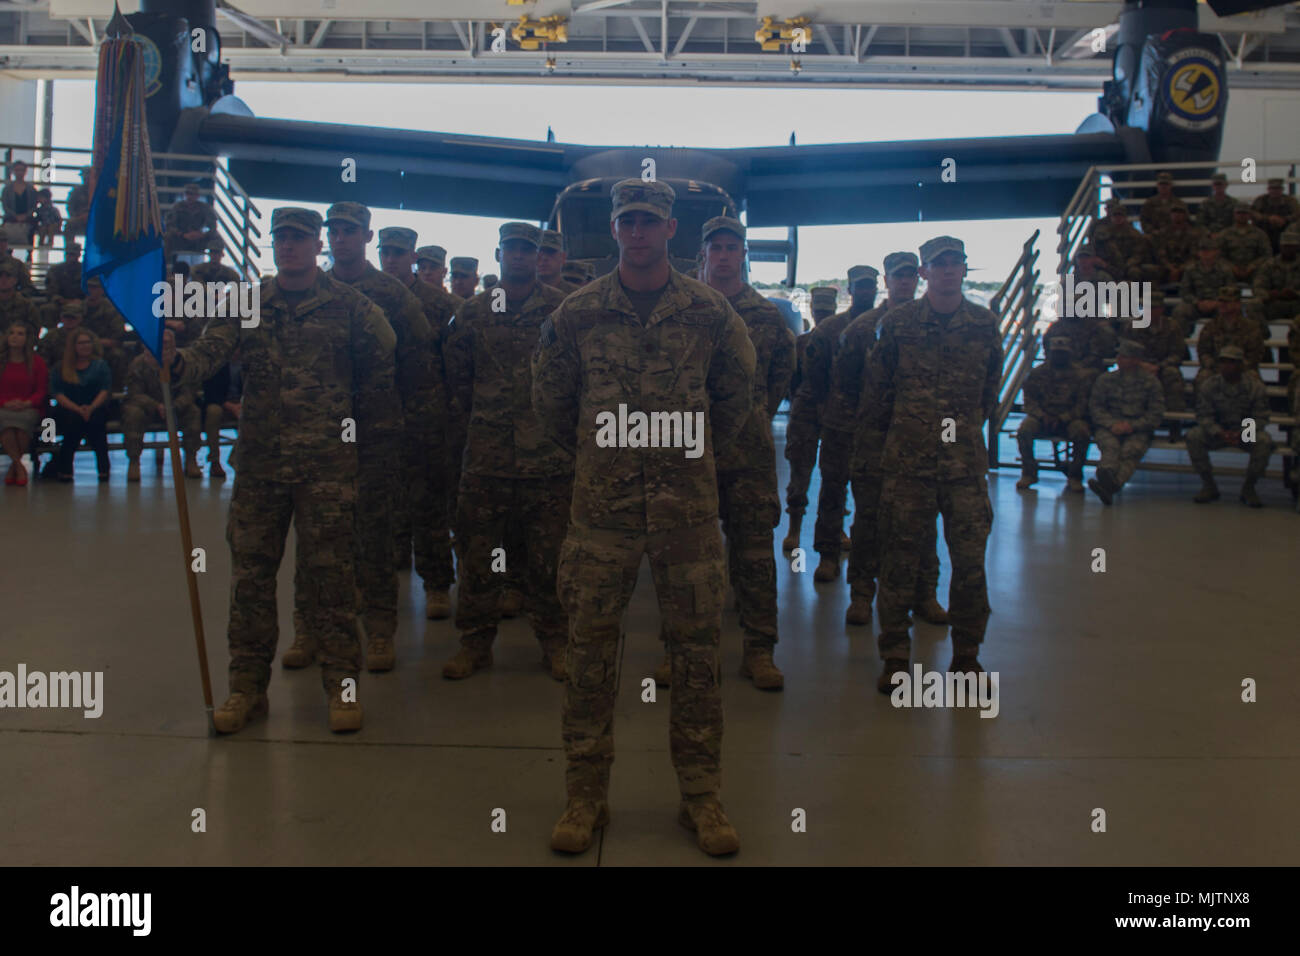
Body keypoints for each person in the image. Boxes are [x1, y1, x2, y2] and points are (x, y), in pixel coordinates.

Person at [532, 178, 754, 857]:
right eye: (627, 222)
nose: (638, 233)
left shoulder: (711, 313)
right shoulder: (577, 312)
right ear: (615, 227)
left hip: (686, 513)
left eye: (649, 223)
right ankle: (584, 797)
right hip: (601, 515)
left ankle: (702, 798)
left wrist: (683, 455)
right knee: (592, 656)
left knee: (695, 659)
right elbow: (551, 400)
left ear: (670, 230)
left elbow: (736, 399)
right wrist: (605, 456)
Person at [169, 206, 399, 734]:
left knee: (332, 581)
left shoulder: (351, 307)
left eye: (299, 238)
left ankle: (343, 690)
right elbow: (207, 354)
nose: (289, 246)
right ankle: (246, 689)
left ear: (318, 243)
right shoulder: (248, 303)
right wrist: (176, 360)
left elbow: (379, 377)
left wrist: (368, 453)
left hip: (327, 469)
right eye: (281, 238)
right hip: (261, 467)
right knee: (250, 579)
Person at [284, 201, 431, 675]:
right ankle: (308, 629)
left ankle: (380, 631)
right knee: (314, 537)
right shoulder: (303, 289)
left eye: (351, 230)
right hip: (313, 436)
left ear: (367, 237)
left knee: (375, 536)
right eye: (335, 230)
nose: (341, 237)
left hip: (375, 435)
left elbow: (418, 362)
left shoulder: (392, 295)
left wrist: (399, 421)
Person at [650, 215, 794, 690]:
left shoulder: (767, 316)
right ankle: (679, 651)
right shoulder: (680, 309)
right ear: (704, 254)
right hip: (688, 455)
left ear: (743, 255)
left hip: (748, 458)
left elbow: (777, 381)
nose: (726, 255)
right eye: (718, 247)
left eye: (734, 247)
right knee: (684, 558)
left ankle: (759, 651)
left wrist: (751, 419)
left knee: (754, 556)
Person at [862, 236, 1000, 693]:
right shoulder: (897, 324)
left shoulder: (984, 324)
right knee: (899, 562)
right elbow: (878, 396)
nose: (947, 270)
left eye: (955, 262)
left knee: (970, 565)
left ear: (964, 269)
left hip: (963, 468)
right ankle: (896, 657)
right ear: (923, 272)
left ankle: (966, 655)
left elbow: (989, 395)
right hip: (907, 465)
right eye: (937, 264)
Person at [441, 221, 570, 681]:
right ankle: (475, 643)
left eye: (527, 249)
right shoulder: (474, 313)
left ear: (539, 256)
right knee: (478, 556)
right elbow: (456, 382)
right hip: (487, 460)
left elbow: (577, 381)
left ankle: (555, 641)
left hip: (548, 462)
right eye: (511, 249)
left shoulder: (561, 311)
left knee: (549, 559)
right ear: (498, 254)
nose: (519, 255)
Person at [842, 252, 945, 627]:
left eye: (909, 276)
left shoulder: (935, 327)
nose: (904, 283)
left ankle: (925, 595)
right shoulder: (861, 330)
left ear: (917, 278)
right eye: (896, 276)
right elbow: (844, 390)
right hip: (872, 444)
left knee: (921, 524)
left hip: (919, 445)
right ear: (886, 280)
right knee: (868, 522)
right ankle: (860, 596)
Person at [377, 225, 458, 619]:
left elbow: (455, 366)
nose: (390, 259)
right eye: (385, 252)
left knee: (429, 507)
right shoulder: (365, 297)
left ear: (413, 257)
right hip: (375, 419)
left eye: (397, 252)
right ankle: (382, 579)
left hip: (426, 420)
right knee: (379, 505)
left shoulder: (438, 305)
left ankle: (438, 584)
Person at [807, 265, 877, 583]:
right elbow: (815, 376)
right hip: (839, 425)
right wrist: (829, 408)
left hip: (876, 429)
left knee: (872, 500)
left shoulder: (887, 326)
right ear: (850, 289)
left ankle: (868, 565)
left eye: (870, 286)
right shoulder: (830, 329)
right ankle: (827, 556)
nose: (866, 291)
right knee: (832, 493)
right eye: (860, 286)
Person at [782, 285, 836, 552]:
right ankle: (794, 529)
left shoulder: (843, 338)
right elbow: (791, 382)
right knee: (799, 475)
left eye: (827, 310)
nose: (823, 315)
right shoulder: (801, 343)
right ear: (812, 311)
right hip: (805, 414)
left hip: (836, 413)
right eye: (819, 310)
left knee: (836, 476)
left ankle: (835, 530)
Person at [1185, 345, 1274, 507]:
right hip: (1218, 432)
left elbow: (1261, 416)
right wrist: (1218, 432)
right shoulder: (1210, 385)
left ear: (1240, 365)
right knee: (1193, 436)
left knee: (1264, 441)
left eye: (1231, 362)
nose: (1226, 366)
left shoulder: (1254, 386)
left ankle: (1249, 488)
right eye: (1223, 362)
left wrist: (1241, 433)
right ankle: (1208, 485)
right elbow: (1204, 415)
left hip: (1245, 432)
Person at [1086, 340, 1165, 506]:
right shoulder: (1106, 379)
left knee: (1131, 451)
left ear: (1136, 360)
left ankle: (1109, 485)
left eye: (1125, 356)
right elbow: (1096, 407)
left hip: (1138, 429)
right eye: (1119, 356)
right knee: (1110, 447)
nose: (1119, 359)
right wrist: (1111, 424)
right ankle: (1107, 476)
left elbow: (1155, 414)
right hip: (1110, 427)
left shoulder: (1151, 383)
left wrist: (1132, 426)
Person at [122, 329, 202, 481]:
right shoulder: (138, 364)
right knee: (132, 413)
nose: (163, 346)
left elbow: (189, 391)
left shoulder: (182, 362)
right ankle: (134, 460)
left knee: (193, 411)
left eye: (167, 343)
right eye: (160, 342)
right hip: (148, 408)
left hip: (176, 407)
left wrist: (174, 406)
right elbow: (134, 393)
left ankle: (191, 458)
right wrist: (156, 406)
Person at [1016, 339, 1093, 493]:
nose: (1059, 356)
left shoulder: (1081, 375)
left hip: (1070, 419)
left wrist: (1063, 418)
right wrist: (1041, 415)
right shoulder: (1037, 373)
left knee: (1082, 432)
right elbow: (1029, 401)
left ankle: (1075, 476)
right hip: (1042, 418)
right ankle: (1029, 473)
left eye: (1062, 353)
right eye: (1056, 353)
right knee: (1024, 430)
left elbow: (1083, 404)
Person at [48, 327, 111, 482]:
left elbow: (105, 390)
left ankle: (104, 470)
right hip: (68, 408)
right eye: (81, 343)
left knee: (96, 423)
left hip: (95, 406)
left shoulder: (100, 365)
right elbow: (58, 393)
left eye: (88, 342)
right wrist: (77, 409)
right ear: (73, 346)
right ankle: (65, 470)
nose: (85, 346)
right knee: (74, 423)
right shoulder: (60, 367)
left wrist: (90, 408)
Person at [1119, 290, 1189, 414]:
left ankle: (1174, 421)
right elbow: (1125, 352)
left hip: (1163, 367)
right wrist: (1141, 365)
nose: (1151, 311)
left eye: (1154, 308)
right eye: (1148, 307)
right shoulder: (1133, 326)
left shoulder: (1172, 326)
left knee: (1172, 374)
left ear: (1161, 309)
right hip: (1137, 367)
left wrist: (1158, 367)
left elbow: (1178, 353)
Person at [0, 318, 47, 486]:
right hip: (3, 407)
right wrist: (5, 403)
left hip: (29, 407)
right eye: (12, 333)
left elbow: (41, 391)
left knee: (21, 426)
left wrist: (26, 403)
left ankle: (14, 466)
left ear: (27, 338)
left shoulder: (37, 362)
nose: (15, 337)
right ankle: (18, 465)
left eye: (20, 334)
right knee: (6, 424)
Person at [1194, 286, 1264, 391]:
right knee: (1203, 378)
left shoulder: (1251, 328)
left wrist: (1234, 369)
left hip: (1242, 370)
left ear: (1237, 304)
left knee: (1254, 380)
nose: (1222, 305)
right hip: (1215, 369)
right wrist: (1218, 367)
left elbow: (1255, 355)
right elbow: (1203, 352)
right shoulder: (1210, 326)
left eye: (1227, 302)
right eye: (1221, 301)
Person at [1174, 237, 1236, 335]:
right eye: (1202, 251)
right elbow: (1184, 291)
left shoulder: (1225, 269)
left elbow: (1231, 290)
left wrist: (1217, 302)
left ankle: (1225, 341)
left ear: (1216, 252)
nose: (1205, 254)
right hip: (1197, 305)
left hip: (1219, 305)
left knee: (1230, 311)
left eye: (1209, 251)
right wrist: (1197, 302)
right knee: (1180, 310)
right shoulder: (1191, 269)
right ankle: (1181, 342)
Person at [200, 350, 241, 479]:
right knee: (213, 412)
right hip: (220, 402)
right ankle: (214, 460)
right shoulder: (217, 364)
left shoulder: (250, 364)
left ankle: (239, 459)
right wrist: (230, 406)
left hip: (243, 402)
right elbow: (211, 393)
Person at [1252, 226, 1300, 327]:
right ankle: (1261, 337)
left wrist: (1296, 294)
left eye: (1291, 246)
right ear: (1280, 247)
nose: (1288, 249)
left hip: (1297, 304)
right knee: (1253, 306)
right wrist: (1272, 295)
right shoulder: (1269, 265)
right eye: (1286, 246)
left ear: (1297, 247)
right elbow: (1257, 287)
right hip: (1275, 304)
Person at [163, 182, 220, 259]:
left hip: (199, 240)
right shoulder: (177, 207)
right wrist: (182, 234)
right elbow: (169, 225)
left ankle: (213, 265)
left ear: (197, 196)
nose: (190, 196)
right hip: (181, 238)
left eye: (193, 194)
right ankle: (165, 264)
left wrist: (202, 234)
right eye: (188, 194)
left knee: (217, 238)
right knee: (167, 237)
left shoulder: (204, 207)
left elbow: (213, 226)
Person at [1151, 205, 1204, 286]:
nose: (1177, 215)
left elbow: (1194, 256)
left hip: (1186, 267)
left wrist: (1180, 269)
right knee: (1152, 271)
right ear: (1170, 215)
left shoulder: (1194, 234)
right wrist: (1171, 268)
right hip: (1167, 267)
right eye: (1174, 213)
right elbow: (1160, 254)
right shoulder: (1163, 233)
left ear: (1185, 215)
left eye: (1180, 213)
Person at [1218, 205, 1272, 282]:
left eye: (1245, 213)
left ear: (1250, 215)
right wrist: (1232, 267)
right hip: (1230, 271)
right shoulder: (1224, 234)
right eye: (1239, 213)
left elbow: (1267, 254)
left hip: (1254, 271)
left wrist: (1252, 266)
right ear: (1234, 215)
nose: (1242, 216)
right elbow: (1219, 255)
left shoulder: (1260, 234)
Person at [1250, 177, 1300, 253]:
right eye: (1272, 189)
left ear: (1282, 189)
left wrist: (1284, 219)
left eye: (1277, 189)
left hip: (1285, 235)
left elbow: (1297, 213)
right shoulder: (1261, 200)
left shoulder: (1290, 201)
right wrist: (1268, 218)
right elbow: (1252, 213)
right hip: (1264, 234)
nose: (1275, 191)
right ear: (1268, 189)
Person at [0, 259, 39, 334]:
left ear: (15, 280)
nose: (3, 280)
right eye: (0, 276)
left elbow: (33, 333)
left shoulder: (27, 306)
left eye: (8, 276)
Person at [1, 160, 35, 228]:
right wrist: (15, 216)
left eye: (22, 170)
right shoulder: (7, 189)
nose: (20, 172)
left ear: (25, 171)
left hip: (28, 219)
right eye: (17, 170)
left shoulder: (31, 189)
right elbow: (5, 206)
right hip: (10, 219)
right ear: (13, 171)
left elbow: (34, 205)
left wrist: (26, 215)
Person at [63, 167, 91, 241]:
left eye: (87, 176)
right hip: (79, 218)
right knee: (69, 225)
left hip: (94, 220)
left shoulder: (98, 191)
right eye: (84, 176)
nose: (85, 178)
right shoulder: (76, 191)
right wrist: (77, 216)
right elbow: (70, 207)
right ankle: (71, 250)